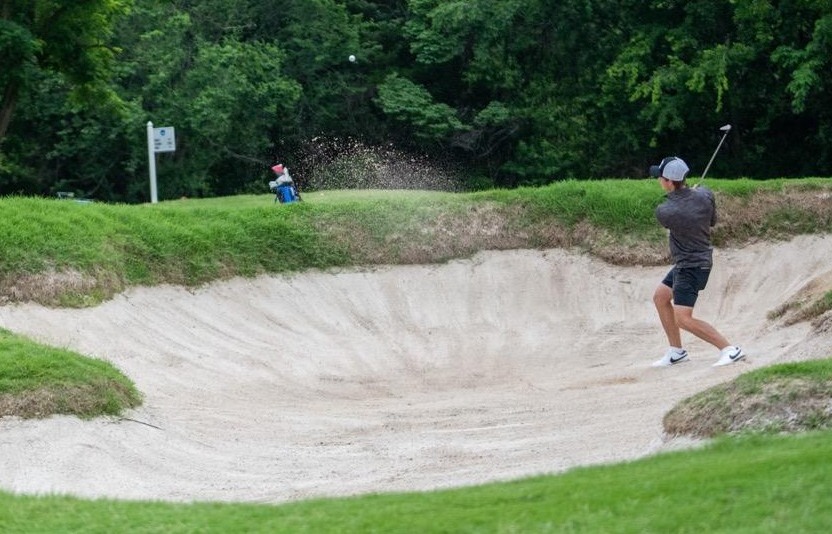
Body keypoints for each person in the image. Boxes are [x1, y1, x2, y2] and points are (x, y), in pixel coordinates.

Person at [648, 156, 745, 367]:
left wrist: (688, 196)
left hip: (690, 267)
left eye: (661, 177)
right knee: (660, 297)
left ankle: (729, 349)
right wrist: (694, 194)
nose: (659, 180)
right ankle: (676, 351)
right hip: (692, 261)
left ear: (669, 181)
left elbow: (679, 209)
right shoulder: (705, 194)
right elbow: (712, 221)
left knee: (683, 318)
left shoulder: (665, 211)